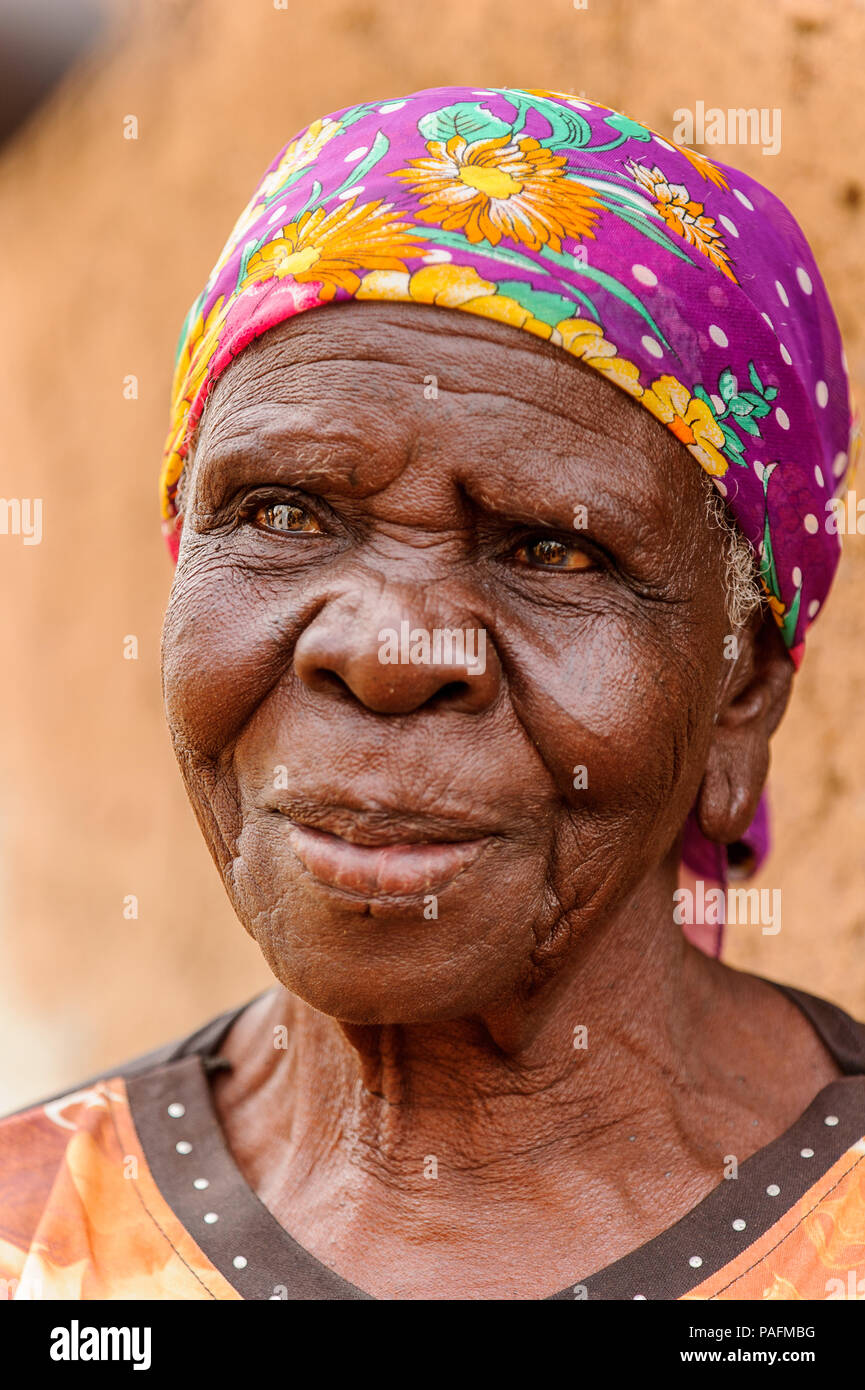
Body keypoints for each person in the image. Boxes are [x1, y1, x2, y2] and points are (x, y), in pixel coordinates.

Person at [2, 86, 862, 1302]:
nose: (389, 650)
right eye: (282, 512)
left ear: (741, 700)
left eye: (553, 550)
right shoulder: (31, 1239)